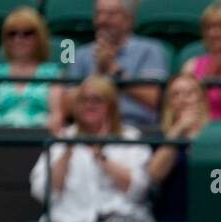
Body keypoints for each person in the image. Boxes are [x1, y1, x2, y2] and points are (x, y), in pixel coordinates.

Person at [29, 75, 153, 222]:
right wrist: (67, 152)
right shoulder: (62, 139)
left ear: (111, 106)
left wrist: (100, 156)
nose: (89, 105)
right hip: (68, 221)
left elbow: (139, 190)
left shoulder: (130, 137)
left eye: (97, 100)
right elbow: (42, 192)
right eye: (83, 100)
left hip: (120, 220)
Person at [65, 0, 167, 128]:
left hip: (136, 127)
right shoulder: (79, 54)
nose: (102, 20)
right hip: (87, 130)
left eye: (110, 14)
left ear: (129, 20)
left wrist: (115, 72)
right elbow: (68, 106)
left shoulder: (151, 49)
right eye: (98, 14)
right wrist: (99, 73)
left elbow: (155, 99)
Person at [0, 6, 64, 130]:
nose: (19, 39)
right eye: (12, 34)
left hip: (40, 143)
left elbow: (57, 118)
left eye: (27, 33)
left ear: (39, 37)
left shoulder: (53, 74)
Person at [148, 75, 208, 222]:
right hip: (171, 219)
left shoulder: (214, 136)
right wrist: (179, 128)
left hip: (209, 215)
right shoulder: (161, 138)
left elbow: (220, 182)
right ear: (169, 103)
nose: (182, 99)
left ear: (201, 99)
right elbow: (154, 176)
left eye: (189, 93)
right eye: (176, 95)